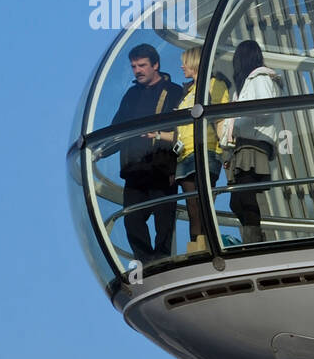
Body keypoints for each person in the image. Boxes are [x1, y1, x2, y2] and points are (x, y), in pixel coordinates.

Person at [111, 43, 183, 264]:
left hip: (161, 168)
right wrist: (98, 152)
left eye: (142, 65)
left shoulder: (174, 92)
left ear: (156, 65)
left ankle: (162, 260)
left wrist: (174, 165)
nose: (137, 70)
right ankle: (147, 262)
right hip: (134, 170)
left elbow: (183, 130)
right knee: (132, 220)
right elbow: (117, 127)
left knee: (164, 221)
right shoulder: (131, 94)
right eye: (133, 66)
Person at [157, 47, 230, 254]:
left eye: (185, 62)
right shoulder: (188, 92)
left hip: (206, 150)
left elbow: (220, 118)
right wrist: (157, 135)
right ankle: (195, 250)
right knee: (192, 208)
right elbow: (179, 131)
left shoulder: (215, 85)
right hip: (185, 154)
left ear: (195, 62)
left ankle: (205, 248)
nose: (181, 66)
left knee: (203, 204)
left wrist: (227, 150)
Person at [220, 40, 282, 244]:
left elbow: (265, 107)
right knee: (236, 201)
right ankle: (253, 236)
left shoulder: (259, 78)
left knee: (244, 196)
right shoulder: (248, 82)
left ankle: (254, 240)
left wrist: (238, 114)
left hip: (253, 142)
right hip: (244, 143)